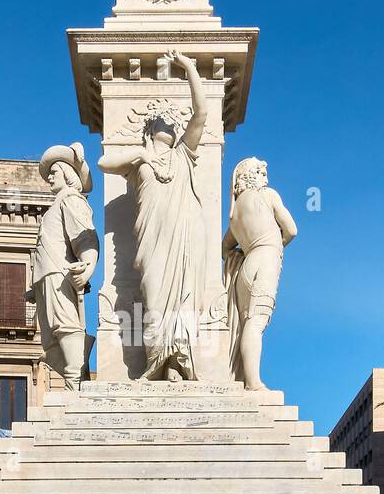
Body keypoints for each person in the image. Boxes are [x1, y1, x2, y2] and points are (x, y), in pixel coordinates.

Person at [99, 51, 208, 380]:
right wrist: (141, 152)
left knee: (181, 301)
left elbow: (202, 113)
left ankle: (175, 363)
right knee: (154, 298)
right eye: (160, 120)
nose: (168, 122)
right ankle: (155, 361)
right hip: (151, 242)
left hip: (183, 238)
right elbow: (105, 163)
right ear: (149, 130)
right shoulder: (139, 160)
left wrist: (189, 67)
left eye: (172, 122)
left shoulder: (183, 155)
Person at [223, 158, 297, 390]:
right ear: (252, 175)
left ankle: (248, 379)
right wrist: (276, 246)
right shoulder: (268, 195)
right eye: (261, 171)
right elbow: (292, 230)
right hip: (265, 259)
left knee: (248, 324)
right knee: (256, 324)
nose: (265, 175)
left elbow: (225, 249)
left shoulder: (234, 216)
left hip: (247, 266)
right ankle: (253, 382)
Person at [31, 143, 99, 390]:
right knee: (52, 339)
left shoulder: (71, 200)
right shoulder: (57, 204)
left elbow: (85, 237)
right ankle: (75, 379)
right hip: (46, 278)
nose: (49, 177)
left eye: (54, 172)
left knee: (66, 326)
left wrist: (89, 265)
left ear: (68, 175)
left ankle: (75, 383)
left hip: (58, 275)